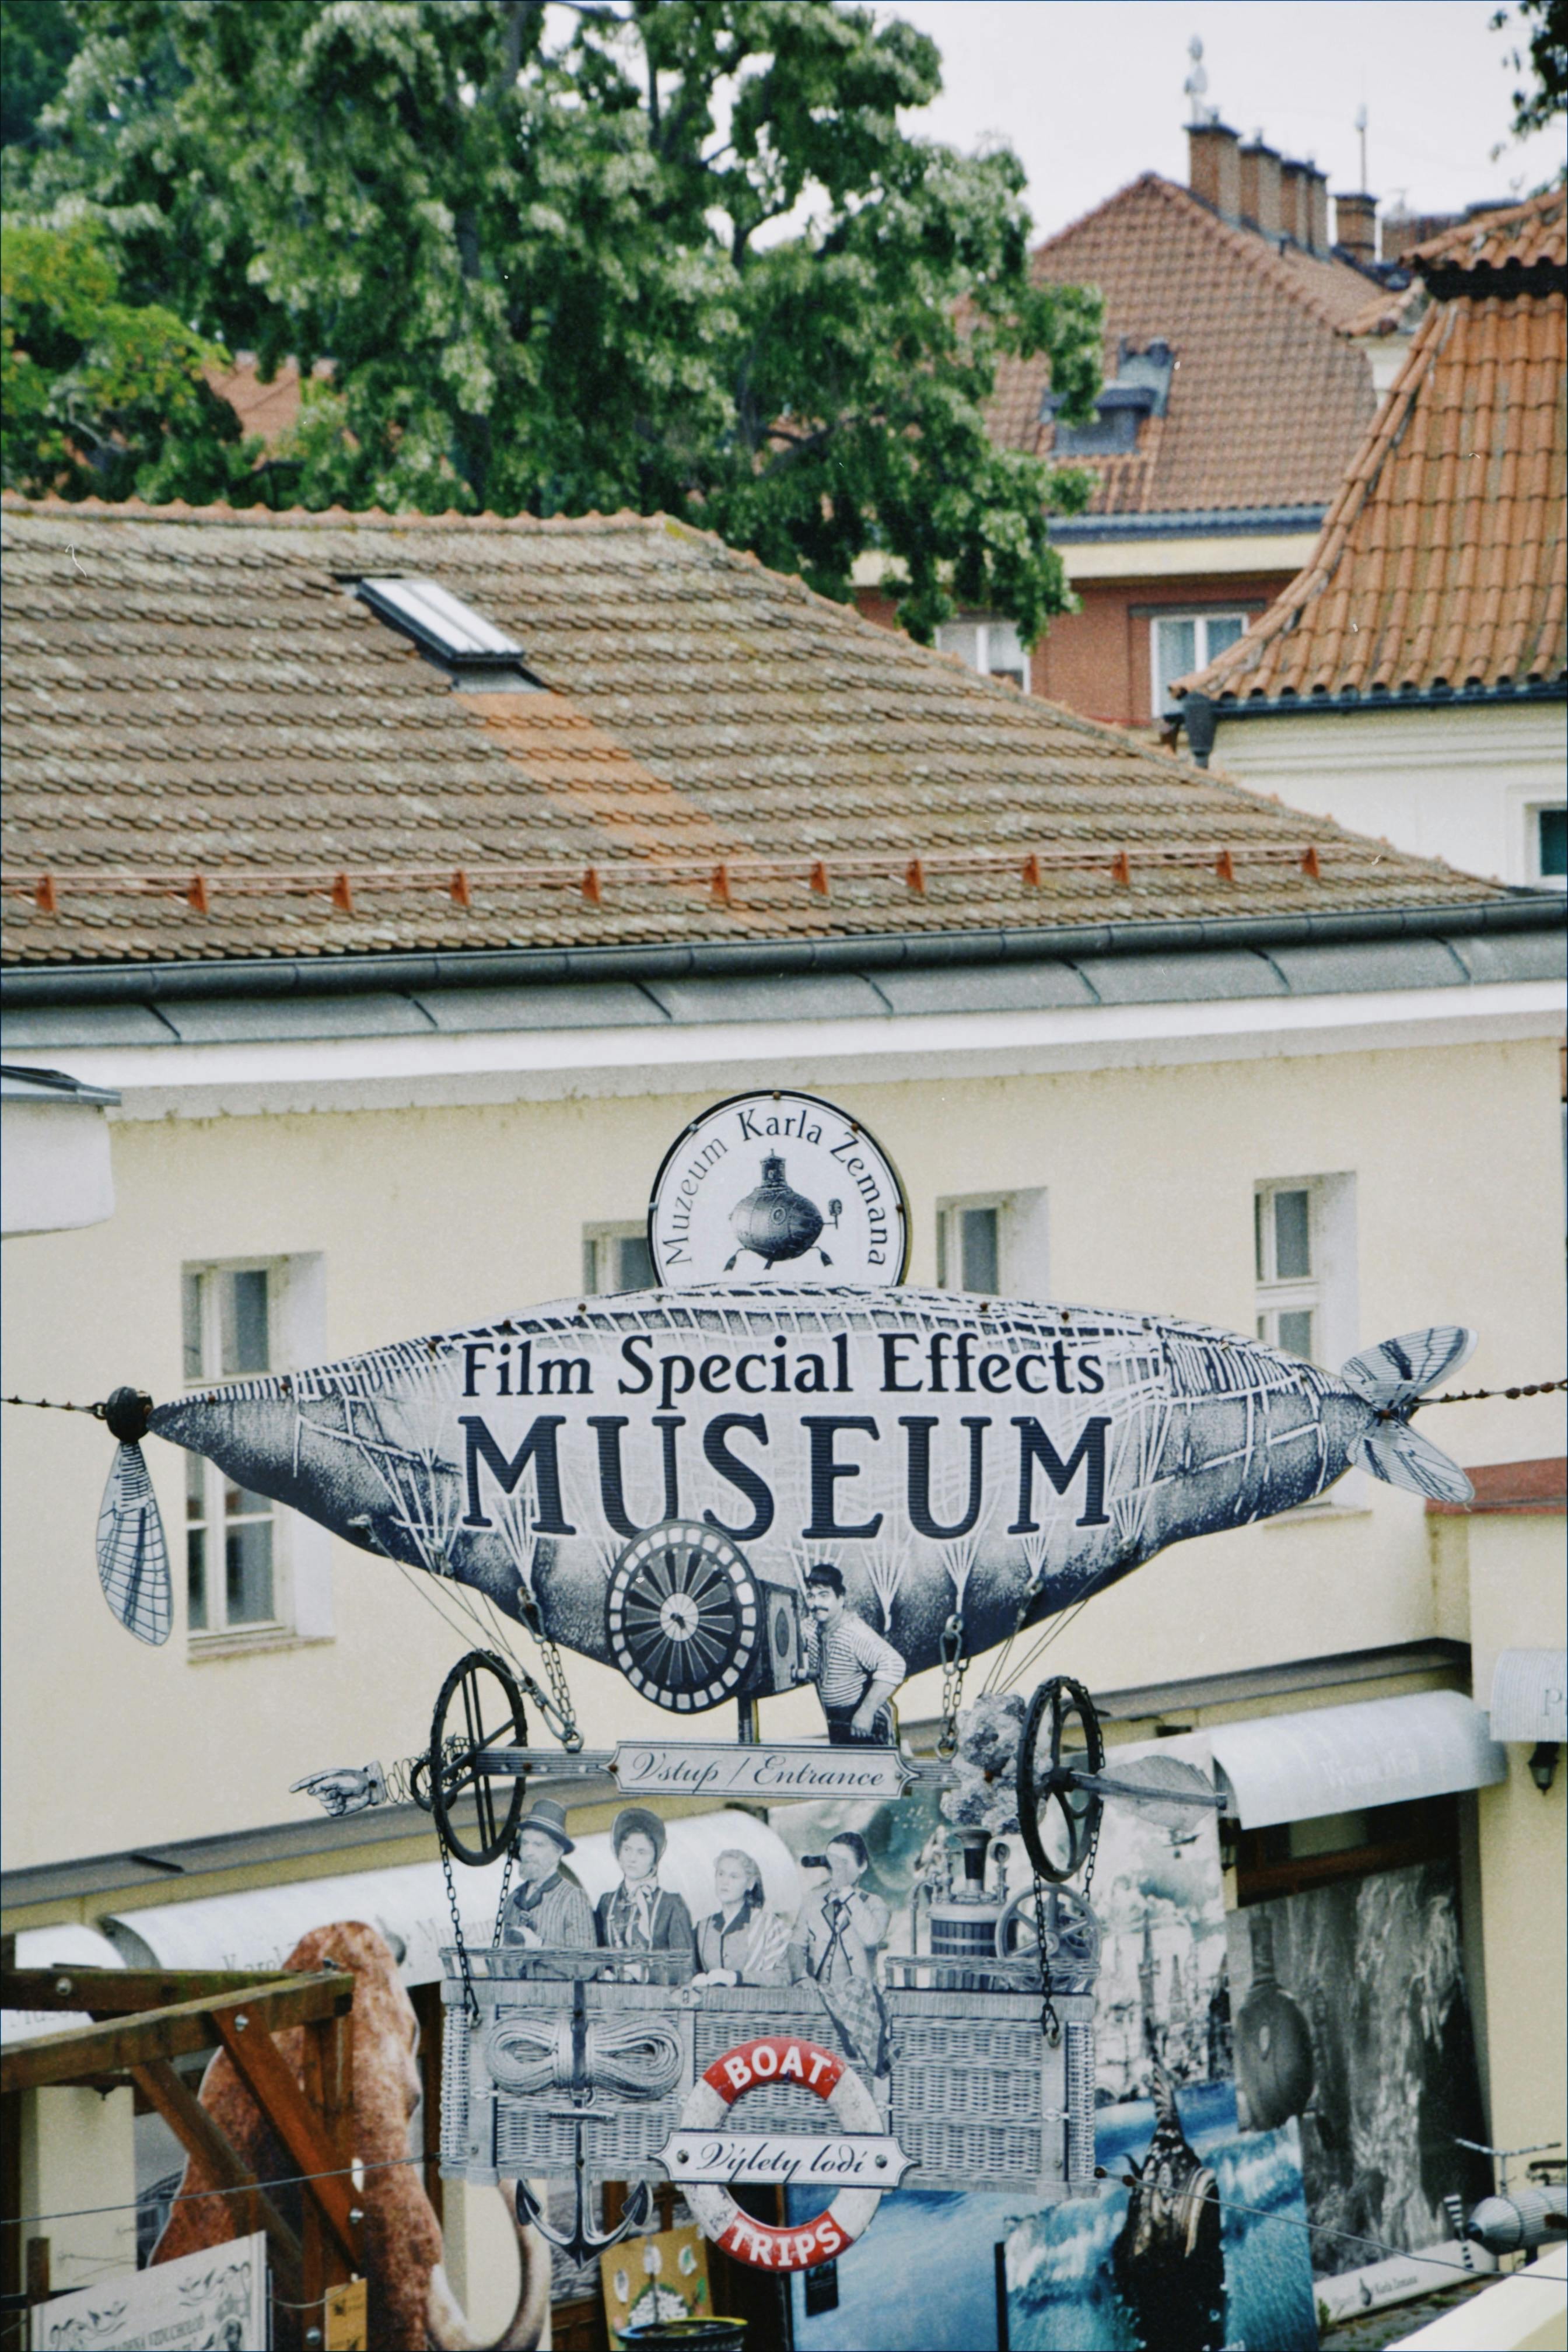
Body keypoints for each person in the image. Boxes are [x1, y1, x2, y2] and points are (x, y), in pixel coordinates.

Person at [789, 1831, 891, 2078]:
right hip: (819, 2002)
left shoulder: (875, 1905)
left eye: (843, 1863)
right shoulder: (813, 1900)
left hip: (858, 2008)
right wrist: (801, 1976)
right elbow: (796, 1946)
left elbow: (871, 1936)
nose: (836, 1869)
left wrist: (846, 1893)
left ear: (862, 1866)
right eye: (831, 1862)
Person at [800, 1563, 905, 1744]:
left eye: (824, 1596)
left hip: (864, 1725)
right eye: (811, 1596)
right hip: (835, 1722)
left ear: (840, 1598)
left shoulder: (854, 1633)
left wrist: (866, 1712)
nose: (816, 1604)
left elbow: (895, 1664)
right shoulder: (810, 1627)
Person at [594, 1808, 696, 1979]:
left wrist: (646, 1974)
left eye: (642, 1852)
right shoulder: (607, 1903)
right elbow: (596, 1956)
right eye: (627, 1849)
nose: (632, 1858)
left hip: (657, 1995)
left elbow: (685, 1968)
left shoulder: (671, 1905)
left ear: (655, 1858)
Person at [498, 1797, 597, 1952]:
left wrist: (539, 1945)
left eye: (538, 1845)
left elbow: (586, 1961)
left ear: (558, 1853)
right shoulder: (513, 1900)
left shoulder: (573, 1898)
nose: (528, 1852)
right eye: (525, 1843)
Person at [692, 1848, 791, 1987]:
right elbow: (690, 1970)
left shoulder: (769, 1925)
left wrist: (737, 1978)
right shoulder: (703, 1927)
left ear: (750, 1884)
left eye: (734, 1877)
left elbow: (784, 1978)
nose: (724, 1882)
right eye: (721, 1874)